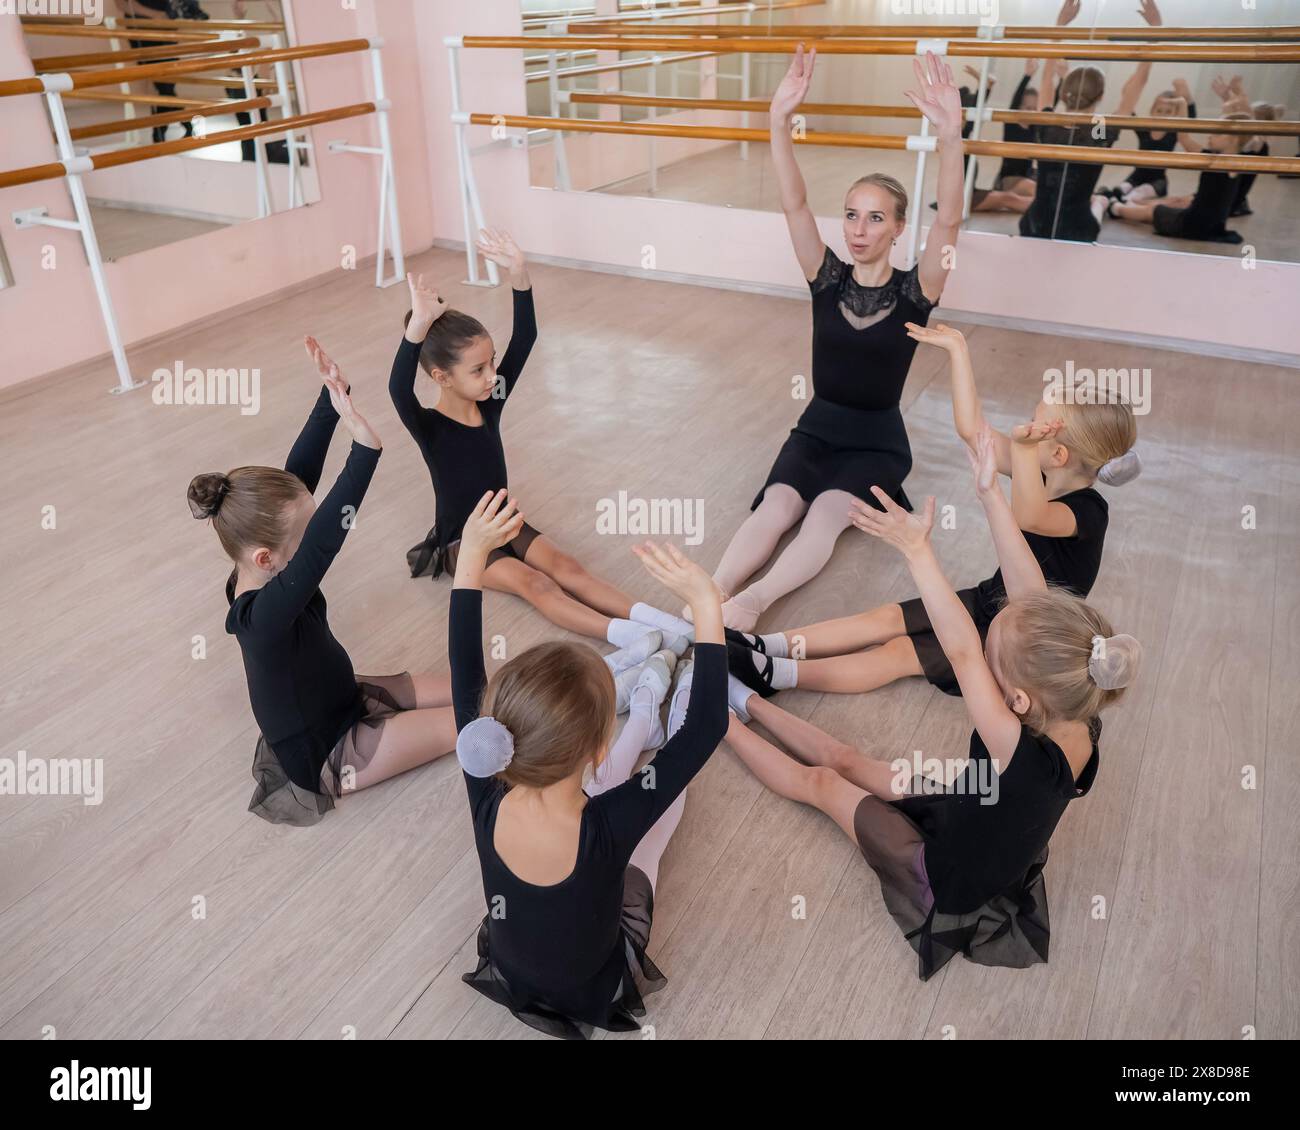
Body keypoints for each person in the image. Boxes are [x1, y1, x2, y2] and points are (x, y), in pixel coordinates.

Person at [725, 428, 1140, 979]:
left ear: (1014, 700)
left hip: (950, 872)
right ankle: (744, 698)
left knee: (824, 783)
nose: (985, 650)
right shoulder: (1076, 704)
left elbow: (963, 650)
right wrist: (992, 494)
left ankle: (717, 716)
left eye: (997, 658)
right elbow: (1031, 595)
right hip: (974, 806)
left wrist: (919, 551)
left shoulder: (1013, 747)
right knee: (845, 757)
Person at [701, 47, 964, 633]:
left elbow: (948, 220)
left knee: (822, 515)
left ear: (899, 228)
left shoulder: (918, 290)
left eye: (875, 218)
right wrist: (778, 120)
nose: (859, 229)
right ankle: (713, 588)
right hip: (817, 426)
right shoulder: (825, 279)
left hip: (877, 443)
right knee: (778, 506)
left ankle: (753, 603)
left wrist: (952, 137)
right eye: (850, 215)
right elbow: (793, 201)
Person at [728, 323, 1138, 700]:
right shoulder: (1042, 469)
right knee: (886, 617)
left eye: (1035, 425)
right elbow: (972, 428)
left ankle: (774, 675)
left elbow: (1028, 516)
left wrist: (1025, 451)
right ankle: (764, 646)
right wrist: (958, 352)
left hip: (1026, 639)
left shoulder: (1088, 511)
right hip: (994, 598)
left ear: (1059, 454)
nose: (1025, 429)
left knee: (898, 653)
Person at [449, 490, 728, 1038]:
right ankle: (648, 706)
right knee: (667, 806)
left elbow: (464, 670)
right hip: (588, 985)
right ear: (598, 748)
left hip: (515, 971)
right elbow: (705, 730)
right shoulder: (606, 825)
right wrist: (706, 606)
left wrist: (470, 560)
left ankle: (646, 702)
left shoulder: (484, 782)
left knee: (642, 792)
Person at [187, 338, 457, 825]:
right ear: (267, 557)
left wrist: (330, 399)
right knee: (476, 720)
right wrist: (365, 451)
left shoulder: (260, 566)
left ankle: (608, 681)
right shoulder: (262, 619)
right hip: (330, 751)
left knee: (476, 685)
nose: (311, 535)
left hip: (344, 697)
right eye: (303, 536)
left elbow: (296, 484)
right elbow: (322, 543)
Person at [391, 230, 693, 660]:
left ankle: (665, 622)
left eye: (492, 361)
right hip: (464, 542)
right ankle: (635, 638)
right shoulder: (430, 426)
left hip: (505, 521)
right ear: (441, 378)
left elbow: (526, 337)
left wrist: (519, 273)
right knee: (538, 585)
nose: (493, 374)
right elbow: (397, 390)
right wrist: (417, 327)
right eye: (478, 369)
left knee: (569, 568)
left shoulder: (489, 403)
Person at [1021, 0, 1163, 243]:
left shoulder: (1048, 122)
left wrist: (1060, 25)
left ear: (1063, 90)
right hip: (1077, 230)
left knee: (1093, 200)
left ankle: (1101, 202)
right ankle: (1104, 202)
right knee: (1099, 200)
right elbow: (1138, 84)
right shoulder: (1099, 130)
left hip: (1034, 223)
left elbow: (1046, 78)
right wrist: (1155, 32)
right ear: (1101, 96)